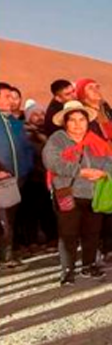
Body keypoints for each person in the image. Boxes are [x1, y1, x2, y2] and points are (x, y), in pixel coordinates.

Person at [43, 101, 112, 284]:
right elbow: (51, 162)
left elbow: (111, 161)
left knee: (92, 232)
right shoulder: (57, 140)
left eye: (81, 120)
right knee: (68, 233)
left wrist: (103, 172)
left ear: (87, 122)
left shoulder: (95, 140)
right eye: (73, 120)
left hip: (93, 194)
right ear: (65, 122)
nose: (78, 125)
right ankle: (68, 269)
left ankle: (89, 265)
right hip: (67, 192)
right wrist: (80, 172)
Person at [76, 78, 112, 263]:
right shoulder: (80, 116)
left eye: (97, 86)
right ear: (82, 93)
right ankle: (94, 252)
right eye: (91, 87)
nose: (96, 89)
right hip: (95, 170)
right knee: (94, 211)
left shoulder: (111, 114)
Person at [0, 82, 36, 271]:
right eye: (6, 96)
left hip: (17, 180)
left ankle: (8, 255)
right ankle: (6, 259)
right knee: (3, 221)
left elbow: (26, 148)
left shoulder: (14, 122)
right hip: (1, 179)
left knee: (10, 220)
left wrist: (27, 169)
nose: (11, 100)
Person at [16, 101, 57, 255]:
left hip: (46, 176)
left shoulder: (48, 131)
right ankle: (31, 241)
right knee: (29, 212)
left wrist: (42, 138)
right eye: (35, 114)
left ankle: (52, 238)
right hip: (29, 177)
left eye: (41, 114)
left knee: (48, 209)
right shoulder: (23, 132)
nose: (39, 117)